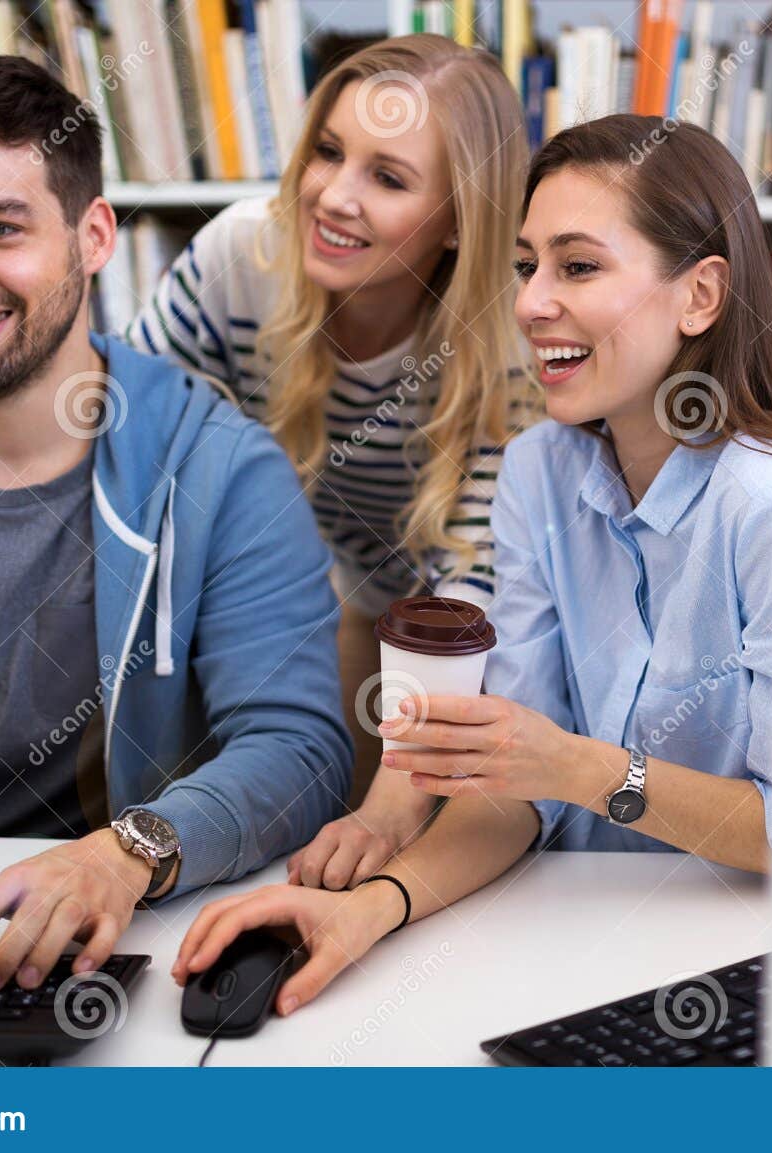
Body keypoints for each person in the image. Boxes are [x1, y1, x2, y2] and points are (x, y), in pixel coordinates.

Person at [171, 116, 772, 1015]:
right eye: (527, 266)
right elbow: (517, 793)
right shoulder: (541, 472)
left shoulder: (770, 511)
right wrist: (372, 912)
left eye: (578, 267)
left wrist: (577, 767)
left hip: (741, 957)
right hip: (565, 938)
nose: (534, 303)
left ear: (700, 296)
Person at [0, 47, 351, 993]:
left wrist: (123, 855)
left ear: (94, 237)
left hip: (117, 939)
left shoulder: (224, 470)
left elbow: (300, 755)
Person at [123, 34, 537, 887]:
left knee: (394, 850)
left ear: (460, 220)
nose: (333, 197)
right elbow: (125, 422)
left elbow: (469, 590)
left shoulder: (510, 341)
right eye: (328, 152)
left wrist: (390, 807)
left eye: (387, 178)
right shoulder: (242, 257)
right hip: (302, 583)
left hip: (456, 625)